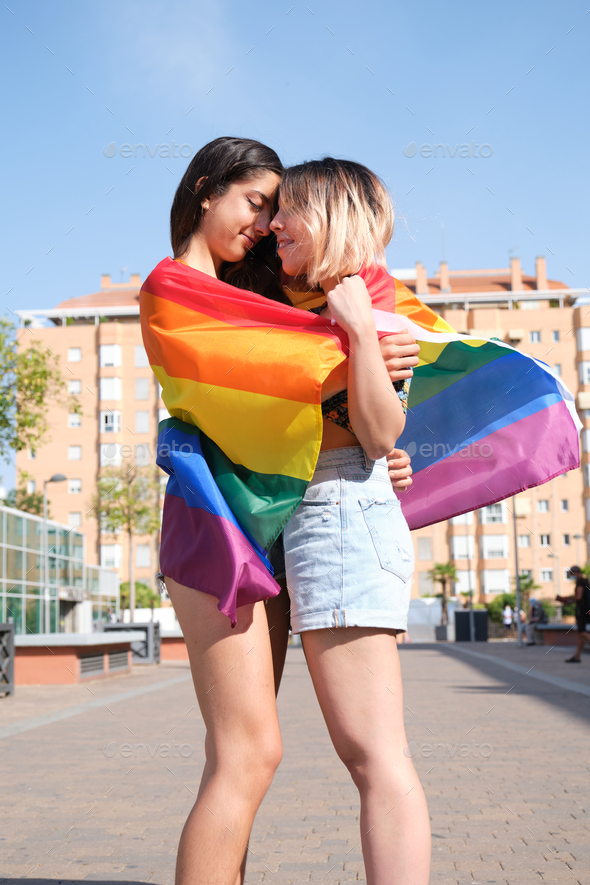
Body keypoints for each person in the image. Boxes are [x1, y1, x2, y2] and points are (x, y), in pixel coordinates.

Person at [149, 137, 420, 885]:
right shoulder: (174, 289)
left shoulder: (273, 295)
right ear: (205, 190)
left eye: (278, 208)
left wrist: (375, 426)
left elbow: (334, 396)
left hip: (284, 523)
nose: (268, 224)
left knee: (245, 753)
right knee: (248, 752)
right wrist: (353, 355)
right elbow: (253, 384)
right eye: (255, 202)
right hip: (221, 525)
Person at [270, 157, 431, 884]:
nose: (274, 224)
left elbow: (380, 435)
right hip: (303, 511)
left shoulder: (372, 306)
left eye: (290, 211)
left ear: (333, 215)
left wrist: (363, 333)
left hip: (339, 513)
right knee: (365, 753)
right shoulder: (291, 305)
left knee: (373, 754)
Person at [556, 565, 590, 662]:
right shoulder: (586, 581)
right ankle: (577, 656)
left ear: (575, 573)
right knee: (580, 635)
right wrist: (569, 601)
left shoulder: (580, 582)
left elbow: (579, 597)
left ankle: (577, 656)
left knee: (581, 632)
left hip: (582, 611)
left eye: (572, 574)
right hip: (586, 610)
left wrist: (567, 598)